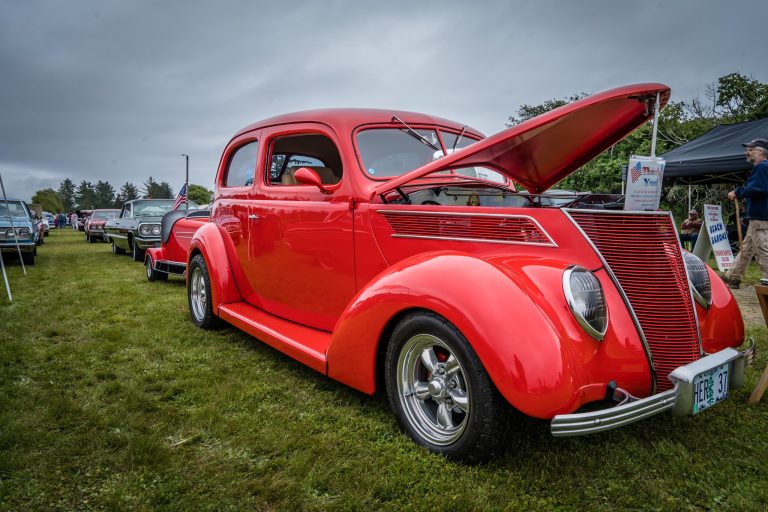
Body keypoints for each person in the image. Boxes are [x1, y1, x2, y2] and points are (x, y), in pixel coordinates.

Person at [724, 139, 768, 289]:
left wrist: (738, 192)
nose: (746, 152)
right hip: (759, 216)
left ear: (760, 151)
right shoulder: (764, 167)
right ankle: (733, 277)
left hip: (761, 217)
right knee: (747, 247)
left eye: (750, 149)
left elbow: (758, 189)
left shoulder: (762, 167)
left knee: (763, 249)